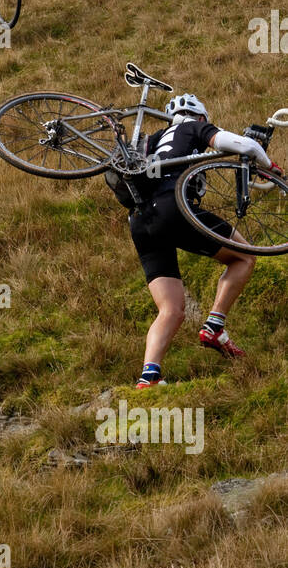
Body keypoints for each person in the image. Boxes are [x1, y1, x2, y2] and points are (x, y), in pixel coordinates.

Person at [112, 93, 283, 386]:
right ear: (200, 115)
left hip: (140, 221)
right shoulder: (192, 127)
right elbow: (245, 145)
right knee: (244, 257)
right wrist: (270, 166)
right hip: (173, 206)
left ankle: (148, 377)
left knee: (170, 309)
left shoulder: (151, 140)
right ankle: (215, 326)